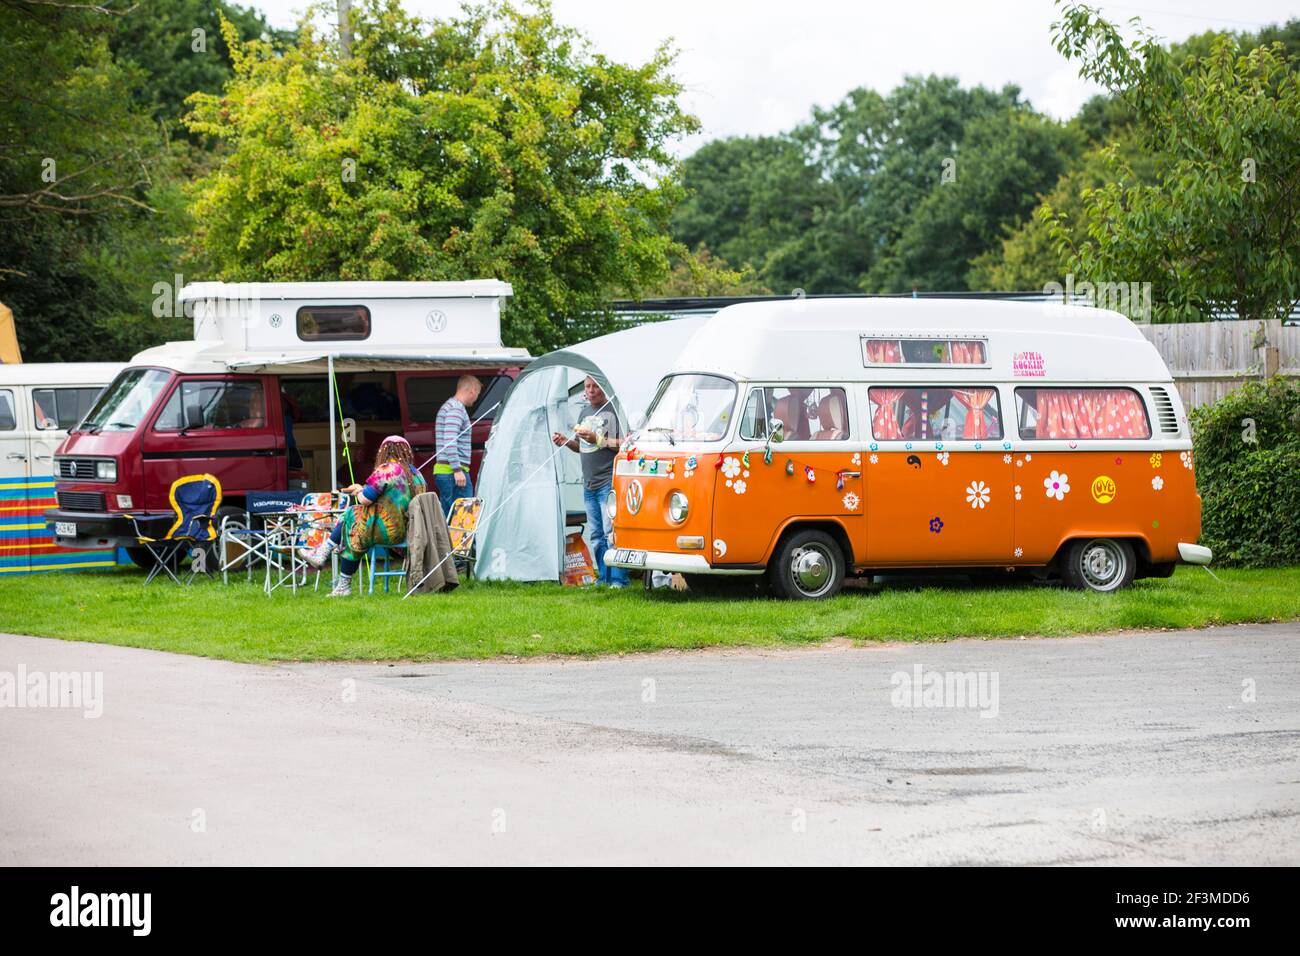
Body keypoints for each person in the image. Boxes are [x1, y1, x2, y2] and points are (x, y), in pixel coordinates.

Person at [299, 435, 427, 597]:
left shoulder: (387, 470)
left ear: (384, 451)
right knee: (356, 525)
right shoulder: (417, 474)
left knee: (352, 518)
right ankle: (327, 558)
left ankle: (333, 566)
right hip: (411, 532)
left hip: (388, 532)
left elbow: (365, 500)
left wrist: (358, 489)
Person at [552, 375, 628, 588]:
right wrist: (566, 441)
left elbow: (624, 445)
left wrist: (599, 439)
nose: (591, 390)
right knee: (596, 535)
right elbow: (581, 446)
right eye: (588, 387)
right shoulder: (584, 412)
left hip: (607, 481)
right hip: (589, 483)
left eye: (595, 386)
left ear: (603, 388)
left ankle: (619, 579)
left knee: (610, 533)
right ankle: (604, 578)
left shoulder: (613, 411)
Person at [433, 375, 481, 518]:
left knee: (449, 519)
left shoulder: (449, 406)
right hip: (452, 473)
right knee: (462, 520)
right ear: (472, 390)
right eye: (477, 394)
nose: (476, 398)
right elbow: (450, 440)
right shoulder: (456, 409)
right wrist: (457, 469)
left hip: (447, 472)